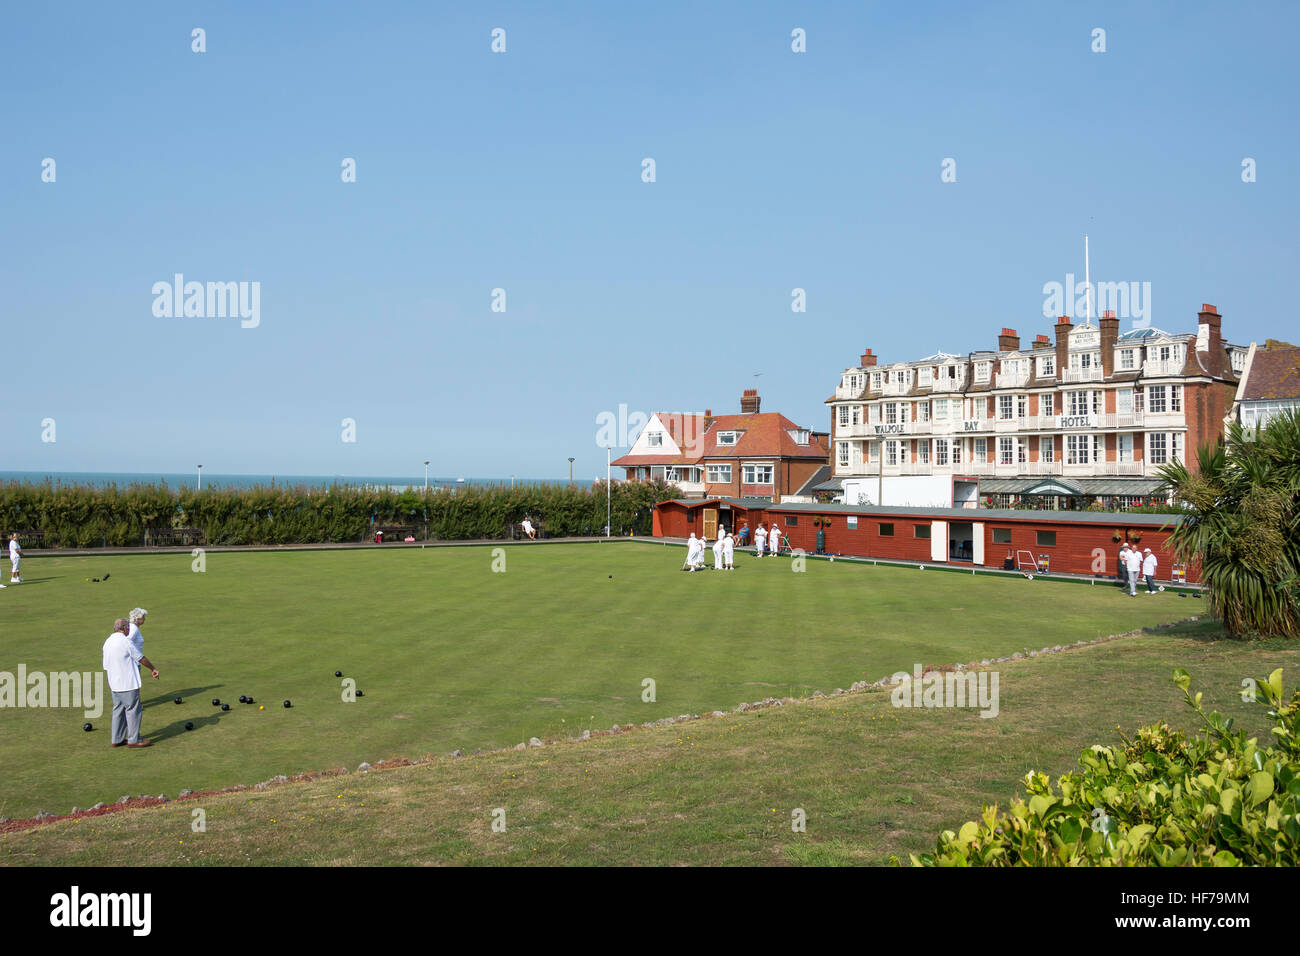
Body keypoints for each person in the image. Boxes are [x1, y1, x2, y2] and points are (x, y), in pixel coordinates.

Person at [102, 617, 159, 748]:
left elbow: (105, 665)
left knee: (118, 709)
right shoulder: (125, 642)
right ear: (125, 628)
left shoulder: (107, 642)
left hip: (114, 683)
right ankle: (134, 740)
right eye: (128, 626)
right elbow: (140, 657)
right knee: (134, 709)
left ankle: (117, 739)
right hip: (127, 683)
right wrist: (153, 668)